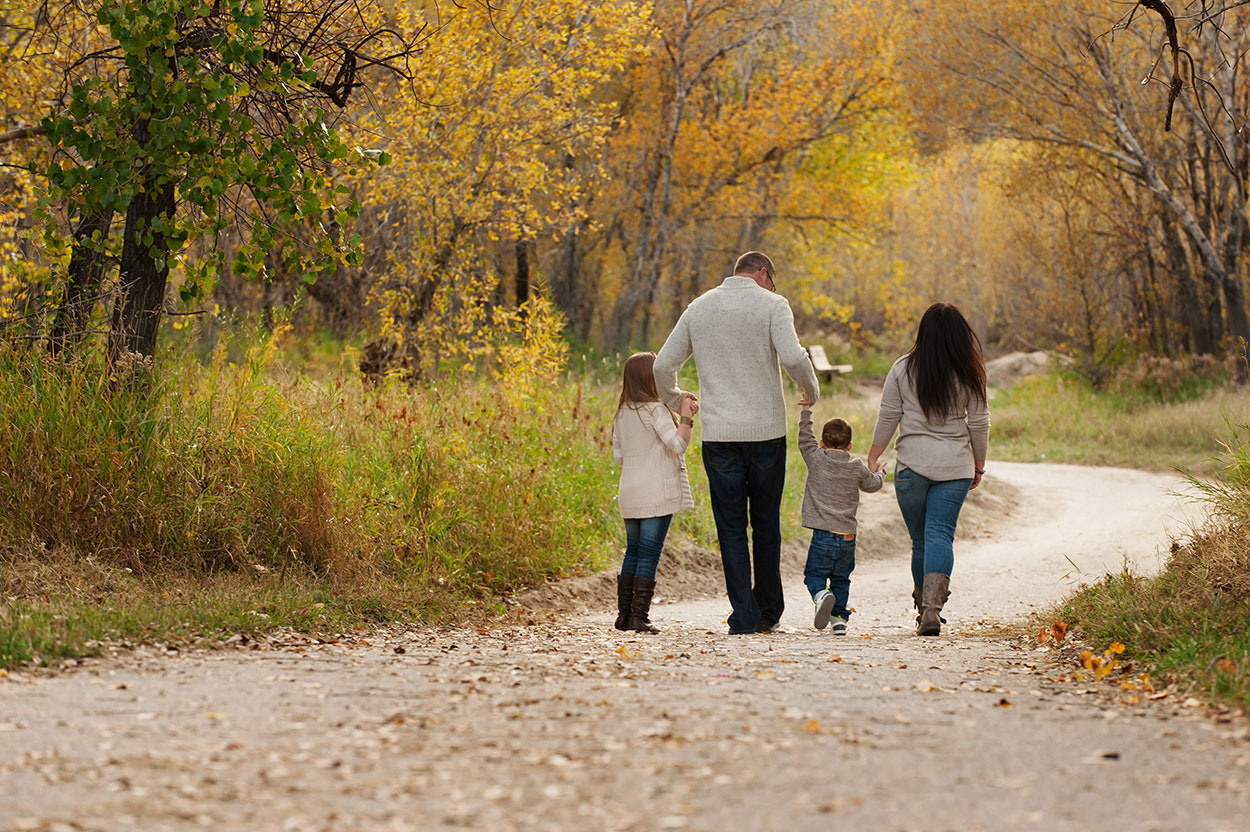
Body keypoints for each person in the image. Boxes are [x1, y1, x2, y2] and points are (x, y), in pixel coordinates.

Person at [654, 251, 820, 635]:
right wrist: (810, 389)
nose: (772, 288)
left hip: (720, 437)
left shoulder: (699, 307)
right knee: (765, 523)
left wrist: (675, 399)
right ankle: (769, 610)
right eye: (772, 281)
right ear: (763, 274)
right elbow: (794, 356)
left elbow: (663, 366)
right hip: (766, 434)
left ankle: (743, 616)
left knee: (730, 527)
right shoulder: (773, 305)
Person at [867, 303, 990, 637]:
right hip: (954, 467)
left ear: (924, 332)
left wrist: (874, 455)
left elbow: (888, 415)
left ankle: (924, 610)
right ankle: (933, 611)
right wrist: (979, 463)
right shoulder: (969, 370)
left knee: (920, 541)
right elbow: (979, 423)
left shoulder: (903, 368)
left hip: (911, 467)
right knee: (940, 534)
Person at [612, 352, 698, 634]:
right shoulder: (656, 410)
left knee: (633, 551)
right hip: (656, 490)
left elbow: (619, 456)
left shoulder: (622, 412)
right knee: (649, 553)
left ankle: (624, 616)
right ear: (652, 377)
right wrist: (685, 419)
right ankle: (640, 617)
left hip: (630, 489)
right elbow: (677, 445)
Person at [795, 401, 884, 635]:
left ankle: (821, 595)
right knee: (841, 579)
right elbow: (873, 485)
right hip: (847, 537)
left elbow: (804, 438)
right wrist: (880, 473)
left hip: (822, 534)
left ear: (822, 443)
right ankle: (839, 621)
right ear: (850, 445)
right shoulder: (856, 467)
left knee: (814, 575)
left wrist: (806, 413)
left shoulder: (816, 457)